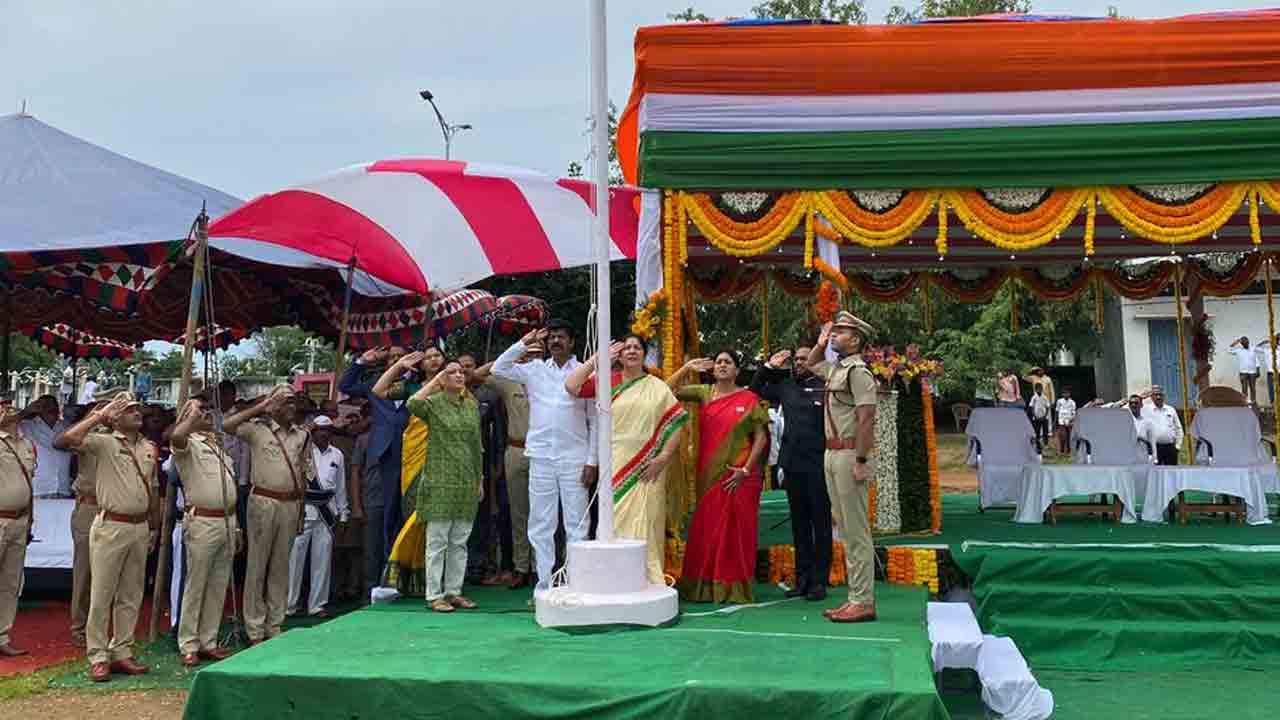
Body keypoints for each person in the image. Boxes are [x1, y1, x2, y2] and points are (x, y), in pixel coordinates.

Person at [54, 391, 160, 682]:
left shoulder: (149, 447)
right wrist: (100, 415)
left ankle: (122, 651)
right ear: (115, 417)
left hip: (139, 527)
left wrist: (153, 526)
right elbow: (62, 441)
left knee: (131, 594)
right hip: (111, 524)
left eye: (138, 408)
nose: (137, 412)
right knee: (101, 593)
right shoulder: (103, 442)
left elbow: (153, 490)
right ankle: (98, 655)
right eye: (128, 410)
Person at [565, 336, 688, 585]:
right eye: (627, 348)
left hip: (650, 465)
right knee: (614, 518)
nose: (631, 351)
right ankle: (615, 580)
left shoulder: (657, 386)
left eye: (637, 348)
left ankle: (646, 580)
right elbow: (571, 386)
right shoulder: (607, 383)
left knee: (648, 519)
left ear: (644, 354)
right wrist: (597, 359)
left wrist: (664, 457)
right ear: (619, 355)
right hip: (616, 461)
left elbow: (676, 423)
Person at [491, 320, 597, 596]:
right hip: (541, 457)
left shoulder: (585, 372)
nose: (555, 342)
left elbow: (595, 421)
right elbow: (498, 368)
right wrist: (524, 342)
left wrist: (592, 460)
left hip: (575, 457)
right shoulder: (534, 370)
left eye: (561, 337)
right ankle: (544, 585)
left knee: (576, 523)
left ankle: (576, 583)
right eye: (551, 338)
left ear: (572, 342)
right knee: (541, 522)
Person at [667, 350, 769, 604]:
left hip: (739, 477)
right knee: (706, 528)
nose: (723, 365)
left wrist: (746, 469)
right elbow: (665, 390)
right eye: (719, 362)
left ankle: (733, 588)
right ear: (713, 369)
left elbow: (761, 437)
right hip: (708, 475)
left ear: (736, 370)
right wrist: (687, 367)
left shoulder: (749, 398)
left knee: (736, 532)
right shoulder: (704, 392)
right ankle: (703, 587)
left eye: (729, 362)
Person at [224, 386, 315, 645]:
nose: (291, 407)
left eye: (293, 402)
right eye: (285, 402)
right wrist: (260, 407)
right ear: (273, 405)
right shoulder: (258, 430)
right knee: (257, 566)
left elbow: (302, 474)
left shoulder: (302, 435)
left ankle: (274, 625)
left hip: (290, 504)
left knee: (280, 567)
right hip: (263, 500)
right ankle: (254, 628)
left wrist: (300, 513)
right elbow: (228, 425)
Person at [807, 312, 879, 623]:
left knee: (856, 531)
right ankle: (855, 598)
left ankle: (862, 600)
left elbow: (867, 419)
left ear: (857, 339)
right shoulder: (839, 369)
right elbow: (811, 364)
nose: (835, 335)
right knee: (846, 529)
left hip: (850, 454)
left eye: (841, 332)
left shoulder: (858, 372)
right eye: (834, 331)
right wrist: (820, 343)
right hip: (832, 454)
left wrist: (861, 461)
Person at [752, 342, 833, 601]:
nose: (799, 363)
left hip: (820, 464)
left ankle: (820, 582)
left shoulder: (826, 386)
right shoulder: (786, 387)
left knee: (820, 524)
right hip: (793, 465)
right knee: (799, 525)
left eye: (804, 359)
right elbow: (754, 391)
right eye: (796, 359)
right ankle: (802, 580)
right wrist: (768, 367)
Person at [406, 361, 484, 613]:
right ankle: (434, 594)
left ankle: (454, 592)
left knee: (459, 540)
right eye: (453, 372)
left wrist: (479, 479)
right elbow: (412, 404)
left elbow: (476, 445)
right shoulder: (434, 403)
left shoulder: (471, 405)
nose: (459, 375)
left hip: (465, 481)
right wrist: (435, 381)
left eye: (462, 372)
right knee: (437, 540)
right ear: (442, 377)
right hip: (439, 481)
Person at [169, 397, 237, 668]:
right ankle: (188, 643)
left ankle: (208, 640)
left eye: (207, 410)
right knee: (196, 584)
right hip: (203, 521)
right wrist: (190, 417)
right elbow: (176, 436)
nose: (206, 415)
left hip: (227, 521)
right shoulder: (188, 445)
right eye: (199, 410)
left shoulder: (219, 447)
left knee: (218, 583)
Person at [473, 342, 540, 589]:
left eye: (537, 354)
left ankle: (543, 567)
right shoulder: (508, 380)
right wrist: (512, 353)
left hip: (543, 452)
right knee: (518, 512)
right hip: (515, 449)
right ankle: (522, 568)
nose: (532, 358)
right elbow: (475, 376)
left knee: (544, 513)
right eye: (529, 354)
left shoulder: (548, 378)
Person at [339, 346, 410, 557]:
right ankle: (375, 581)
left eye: (401, 356)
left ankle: (401, 573)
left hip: (410, 453)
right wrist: (362, 362)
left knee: (404, 515)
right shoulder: (374, 383)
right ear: (387, 363)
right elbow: (346, 386)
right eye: (392, 357)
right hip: (382, 455)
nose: (396, 360)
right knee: (381, 516)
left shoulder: (417, 383)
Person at [456, 353, 509, 587]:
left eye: (469, 366)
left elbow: (499, 434)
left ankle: (476, 566)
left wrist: (497, 464)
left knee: (480, 517)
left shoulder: (489, 396)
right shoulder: (445, 395)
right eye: (461, 367)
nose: (465, 370)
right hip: (451, 463)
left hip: (482, 464)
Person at [288, 415, 347, 618]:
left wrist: (343, 513)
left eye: (328, 430)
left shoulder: (337, 455)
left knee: (322, 561)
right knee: (294, 560)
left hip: (327, 512)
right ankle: (289, 605)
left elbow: (341, 486)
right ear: (313, 433)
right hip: (304, 510)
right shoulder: (303, 452)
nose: (324, 433)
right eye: (320, 430)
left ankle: (317, 605)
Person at [67, 400, 108, 647]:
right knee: (84, 572)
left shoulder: (120, 439)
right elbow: (64, 441)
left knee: (108, 574)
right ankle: (79, 627)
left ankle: (101, 627)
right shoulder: (87, 436)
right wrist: (93, 419)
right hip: (89, 506)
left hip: (113, 509)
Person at [0, 399, 37, 656]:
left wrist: (30, 518)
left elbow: (30, 485)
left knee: (11, 582)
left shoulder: (26, 445)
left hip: (20, 519)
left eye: (9, 405)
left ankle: (2, 635)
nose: (7, 409)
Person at [350, 407, 384, 602]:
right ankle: (369, 591)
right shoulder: (364, 439)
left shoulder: (399, 435)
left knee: (390, 546)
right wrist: (356, 505)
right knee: (371, 549)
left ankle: (389, 589)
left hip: (392, 499)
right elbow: (355, 472)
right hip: (370, 500)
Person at [18, 396, 71, 497]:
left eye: (53, 405)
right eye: (45, 405)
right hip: (38, 489)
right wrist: (26, 411)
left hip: (63, 488)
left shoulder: (67, 426)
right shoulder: (26, 426)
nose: (50, 408)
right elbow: (6, 423)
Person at [1141, 386, 1183, 465]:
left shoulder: (1171, 409)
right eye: (1156, 395)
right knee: (1154, 473)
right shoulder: (1145, 410)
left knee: (1171, 473)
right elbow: (1130, 408)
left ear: (1164, 396)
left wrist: (1178, 446)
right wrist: (1141, 397)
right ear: (1151, 397)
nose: (1158, 397)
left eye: (1160, 395)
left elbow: (1179, 428)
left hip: (1170, 448)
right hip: (1153, 448)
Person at [1229, 336, 1260, 404]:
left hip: (1252, 372)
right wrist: (1236, 342)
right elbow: (1229, 350)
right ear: (1241, 344)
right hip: (1243, 372)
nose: (1245, 343)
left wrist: (1258, 369)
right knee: (1244, 388)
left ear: (1248, 342)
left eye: (1246, 342)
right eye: (1243, 342)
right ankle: (1245, 402)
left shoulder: (1253, 349)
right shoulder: (1239, 350)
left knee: (1252, 388)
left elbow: (1256, 360)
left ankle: (1253, 402)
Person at [1053, 387, 1077, 455]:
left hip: (1069, 420)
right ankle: (1062, 449)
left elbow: (1074, 412)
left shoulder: (1072, 402)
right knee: (1063, 435)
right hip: (1061, 420)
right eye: (1064, 393)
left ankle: (1069, 450)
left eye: (1067, 393)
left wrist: (1072, 420)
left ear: (1070, 394)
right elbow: (1057, 411)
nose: (1066, 394)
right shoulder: (1059, 401)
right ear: (1062, 394)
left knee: (1069, 436)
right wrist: (1055, 421)